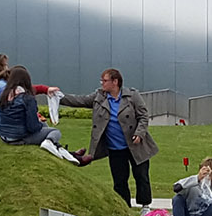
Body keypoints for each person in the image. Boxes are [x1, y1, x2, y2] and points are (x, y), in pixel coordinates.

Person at [58, 68, 160, 208]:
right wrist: (57, 96)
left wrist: (140, 133)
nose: (102, 84)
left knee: (141, 176)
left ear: (115, 82)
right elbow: (78, 100)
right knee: (119, 180)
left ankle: (145, 207)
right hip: (115, 148)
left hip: (135, 145)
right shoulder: (99, 97)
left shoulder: (132, 96)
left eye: (105, 81)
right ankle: (124, 208)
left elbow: (143, 116)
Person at [0, 65, 78, 164]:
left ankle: (59, 148)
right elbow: (32, 127)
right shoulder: (27, 98)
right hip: (18, 137)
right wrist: (39, 124)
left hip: (4, 135)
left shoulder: (3, 95)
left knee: (44, 125)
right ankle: (51, 143)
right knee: (55, 132)